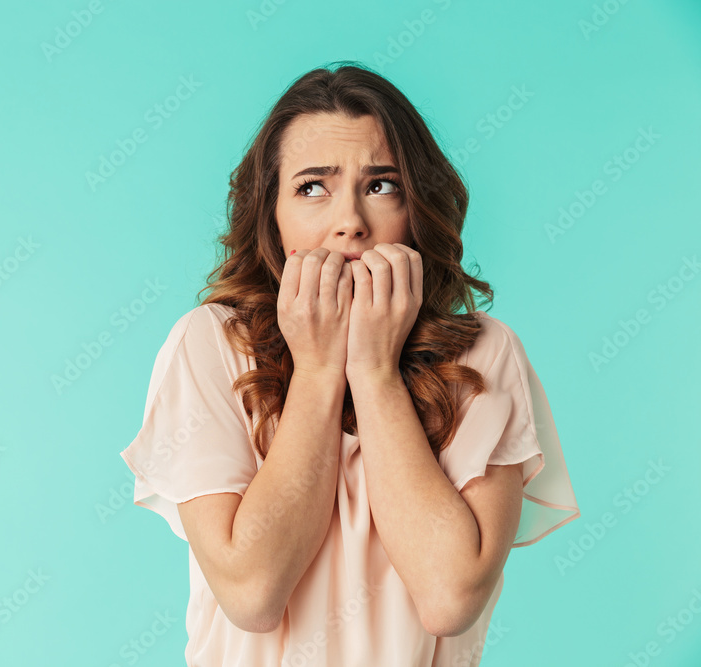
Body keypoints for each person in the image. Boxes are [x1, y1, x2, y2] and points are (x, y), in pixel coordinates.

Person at [118, 61, 580, 667]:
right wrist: (317, 370)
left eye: (381, 185)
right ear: (271, 216)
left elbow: (449, 598)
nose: (350, 224)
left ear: (416, 208)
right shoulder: (210, 345)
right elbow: (252, 594)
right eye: (313, 187)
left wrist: (375, 369)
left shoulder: (485, 353)